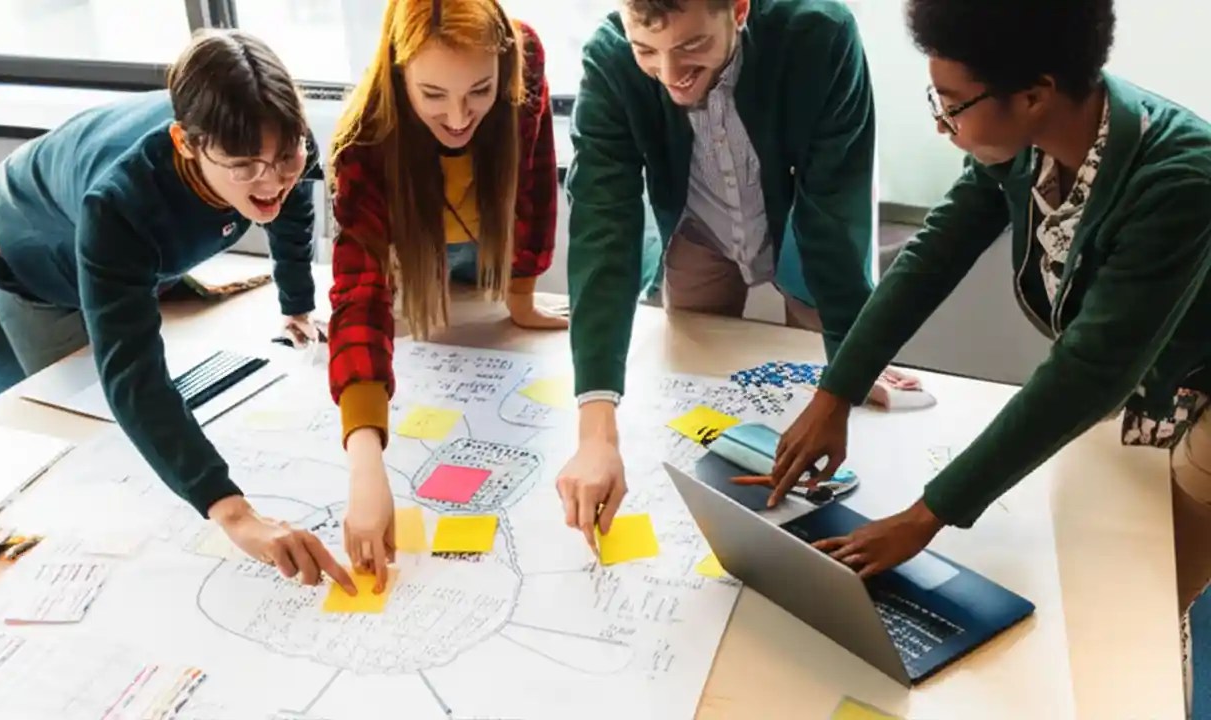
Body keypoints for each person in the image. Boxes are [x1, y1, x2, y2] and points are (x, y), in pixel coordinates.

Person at [765, 0, 1211, 617]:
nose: (942, 125)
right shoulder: (1028, 142)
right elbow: (933, 255)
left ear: (1033, 95)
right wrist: (836, 391)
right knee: (1098, 559)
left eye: (952, 103)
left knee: (1152, 601)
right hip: (1135, 386)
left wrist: (926, 516)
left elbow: (1091, 374)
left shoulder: (1182, 178)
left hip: (1197, 393)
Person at [0, 29, 356, 594]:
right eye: (247, 166)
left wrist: (296, 303)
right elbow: (134, 377)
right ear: (185, 143)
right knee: (93, 433)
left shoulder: (282, 141)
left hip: (138, 252)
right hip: (33, 257)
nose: (272, 178)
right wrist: (234, 513)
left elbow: (294, 206)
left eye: (286, 156)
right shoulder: (120, 205)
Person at [557, 0, 919, 549]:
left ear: (740, 9)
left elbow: (834, 214)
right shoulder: (609, 59)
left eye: (692, 46)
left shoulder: (821, 33)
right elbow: (603, 229)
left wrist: (852, 359)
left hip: (800, 221)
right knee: (694, 365)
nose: (671, 76)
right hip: (697, 226)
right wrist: (596, 430)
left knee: (827, 379)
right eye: (646, 50)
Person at [327, 0, 562, 588]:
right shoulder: (362, 140)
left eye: (480, 91)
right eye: (432, 94)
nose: (459, 117)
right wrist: (366, 466)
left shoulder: (525, 55)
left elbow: (534, 180)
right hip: (413, 251)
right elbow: (359, 294)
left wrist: (522, 293)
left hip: (484, 241)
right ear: (397, 69)